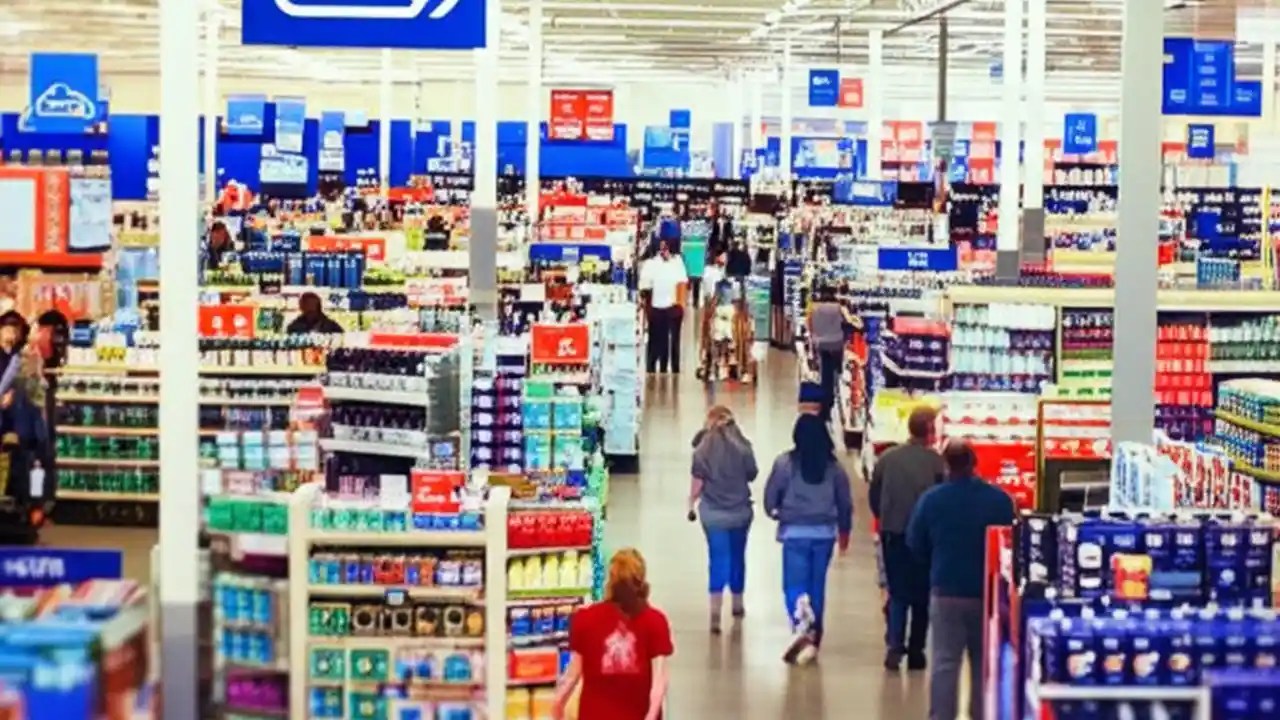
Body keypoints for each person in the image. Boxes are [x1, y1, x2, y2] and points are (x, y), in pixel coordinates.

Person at [907, 439, 1015, 720]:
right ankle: (980, 714)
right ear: (974, 464)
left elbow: (914, 542)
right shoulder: (999, 500)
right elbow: (1012, 545)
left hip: (946, 590)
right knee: (982, 662)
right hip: (987, 592)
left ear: (946, 465)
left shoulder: (931, 500)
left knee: (944, 662)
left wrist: (934, 563)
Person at [764, 413, 853, 664]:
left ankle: (799, 621)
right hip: (824, 533)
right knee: (817, 584)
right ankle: (814, 636)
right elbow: (844, 503)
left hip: (794, 531)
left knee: (793, 583)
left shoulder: (784, 464)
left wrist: (775, 512)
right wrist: (844, 531)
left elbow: (771, 496)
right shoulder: (835, 469)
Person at [553, 549, 673, 720]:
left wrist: (557, 706)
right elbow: (659, 683)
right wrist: (651, 715)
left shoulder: (585, 619)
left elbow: (572, 676)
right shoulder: (655, 621)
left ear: (610, 579)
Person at [869, 406, 944, 671]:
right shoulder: (936, 463)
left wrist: (886, 518)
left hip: (894, 533)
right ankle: (916, 651)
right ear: (930, 431)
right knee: (922, 595)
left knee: (898, 593)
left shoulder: (888, 458)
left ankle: (894, 646)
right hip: (925, 539)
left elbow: (874, 495)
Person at [687, 406, 758, 634]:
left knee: (717, 559)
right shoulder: (744, 448)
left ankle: (715, 613)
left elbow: (697, 484)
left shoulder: (701, 450)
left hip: (713, 514)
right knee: (738, 555)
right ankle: (737, 603)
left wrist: (691, 503)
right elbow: (752, 474)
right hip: (740, 512)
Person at [807, 285, 857, 423]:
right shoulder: (840, 308)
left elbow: (810, 327)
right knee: (835, 375)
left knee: (825, 376)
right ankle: (832, 398)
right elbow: (850, 323)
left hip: (822, 345)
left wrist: (814, 341)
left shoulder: (814, 308)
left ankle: (826, 408)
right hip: (836, 345)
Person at [639, 240, 687, 374]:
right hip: (656, 308)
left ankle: (673, 367)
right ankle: (652, 366)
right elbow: (645, 286)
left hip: (673, 308)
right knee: (656, 339)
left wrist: (680, 306)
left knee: (674, 340)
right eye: (661, 248)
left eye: (666, 248)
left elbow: (682, 283)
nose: (664, 251)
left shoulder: (677, 263)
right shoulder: (651, 264)